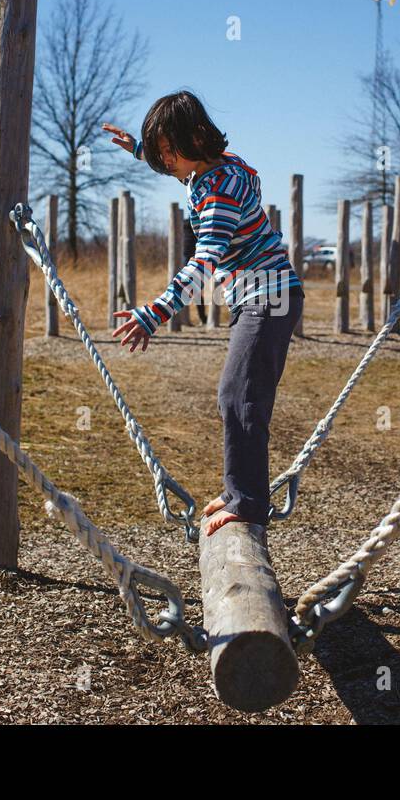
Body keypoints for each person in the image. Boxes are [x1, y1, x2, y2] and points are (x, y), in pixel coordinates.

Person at [103, 91, 302, 536]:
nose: (165, 161)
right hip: (257, 296)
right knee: (236, 393)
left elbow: (204, 261)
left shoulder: (220, 193)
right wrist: (140, 150)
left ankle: (248, 503)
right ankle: (239, 491)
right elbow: (190, 174)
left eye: (168, 152)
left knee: (239, 394)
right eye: (159, 155)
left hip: (269, 298)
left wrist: (155, 313)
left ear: (194, 137)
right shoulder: (217, 166)